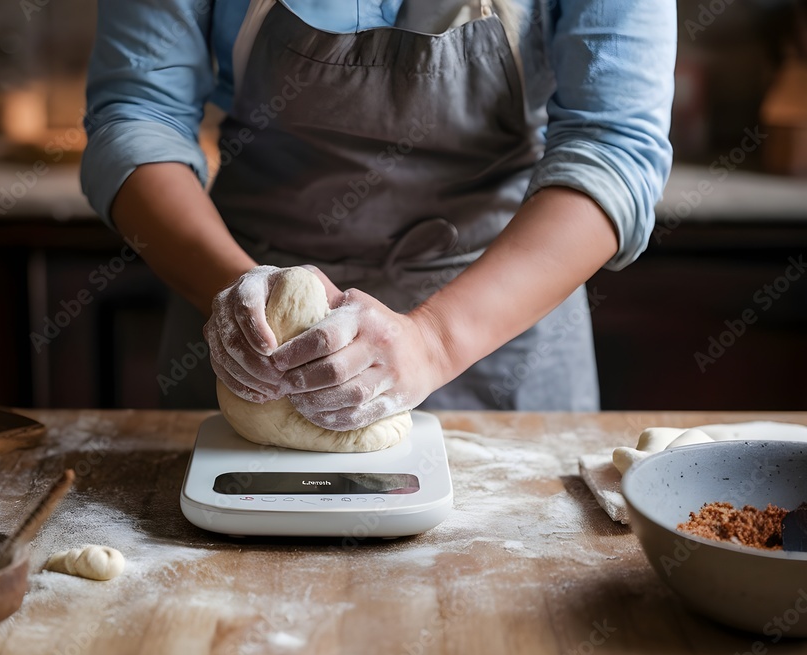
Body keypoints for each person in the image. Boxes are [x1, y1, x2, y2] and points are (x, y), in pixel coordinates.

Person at [81, 0, 676, 430]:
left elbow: (612, 149)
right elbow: (137, 117)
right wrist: (241, 298)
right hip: (246, 323)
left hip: (499, 330)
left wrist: (435, 341)